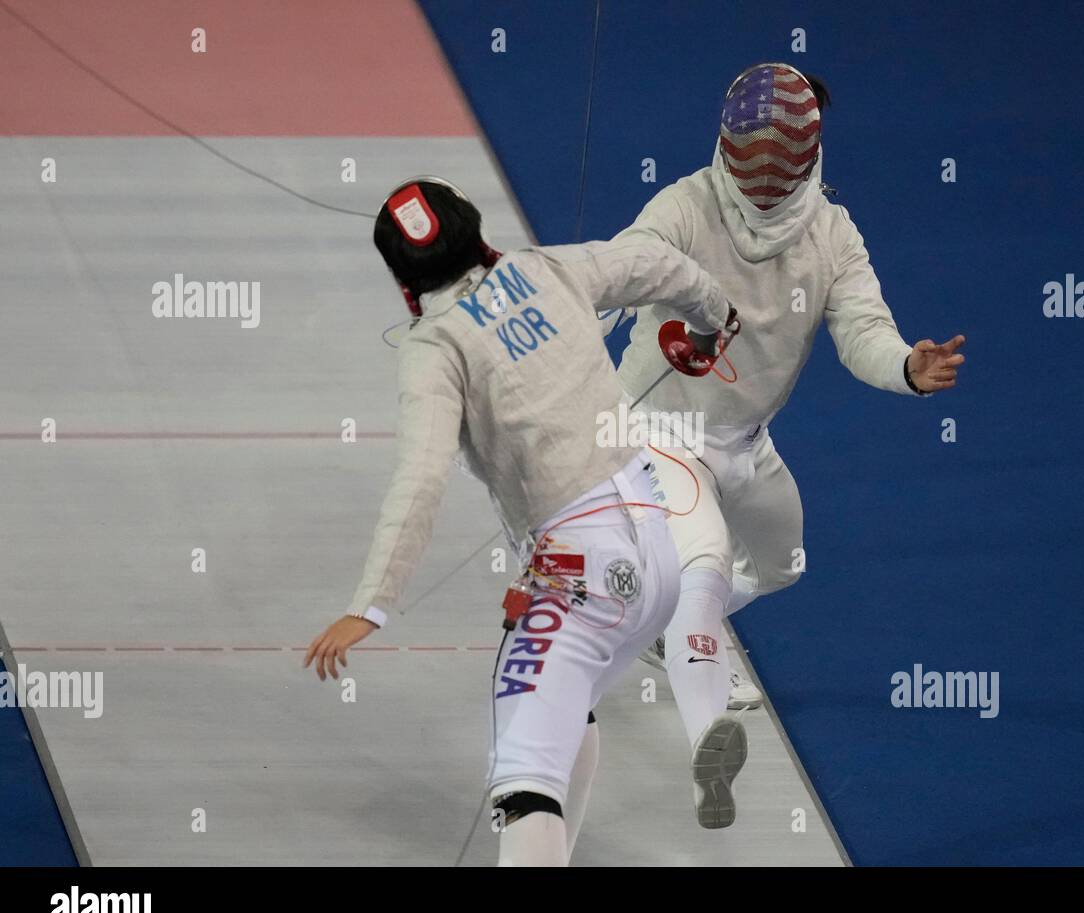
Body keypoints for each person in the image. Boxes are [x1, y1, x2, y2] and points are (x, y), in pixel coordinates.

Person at [302, 177, 739, 865]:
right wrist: (714, 320)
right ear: (476, 234)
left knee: (523, 784)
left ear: (403, 279)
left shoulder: (434, 347)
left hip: (579, 579)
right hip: (658, 563)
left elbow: (420, 478)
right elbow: (660, 264)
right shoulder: (545, 267)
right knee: (570, 706)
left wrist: (373, 604)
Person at [612, 64, 966, 827]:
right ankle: (709, 735)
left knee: (780, 564)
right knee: (704, 566)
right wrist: (579, 286)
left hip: (743, 438)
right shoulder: (684, 207)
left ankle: (657, 619)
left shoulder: (831, 235)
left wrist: (906, 365)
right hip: (656, 435)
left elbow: (865, 330)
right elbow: (630, 259)